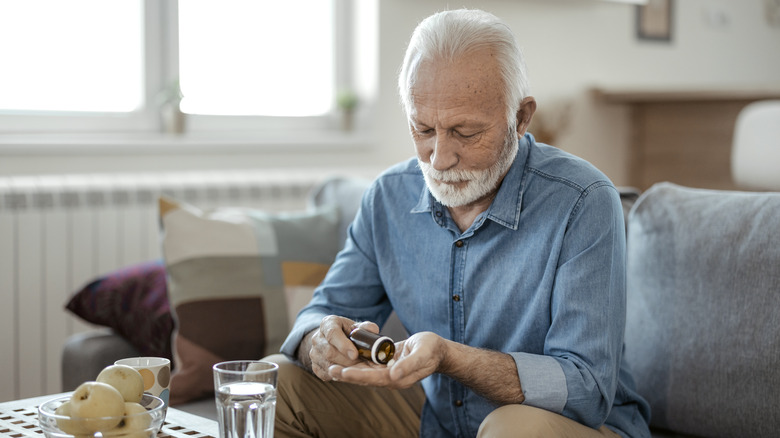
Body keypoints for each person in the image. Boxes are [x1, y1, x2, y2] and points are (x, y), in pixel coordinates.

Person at [268, 8, 651, 438]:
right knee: (277, 382)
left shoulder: (584, 202)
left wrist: (450, 358)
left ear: (521, 118)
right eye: (423, 128)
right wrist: (317, 339)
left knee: (510, 429)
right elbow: (320, 310)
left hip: (575, 427)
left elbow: (587, 389)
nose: (440, 157)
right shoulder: (388, 196)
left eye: (466, 132)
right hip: (437, 419)